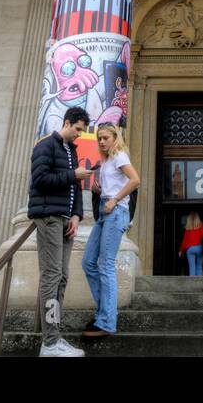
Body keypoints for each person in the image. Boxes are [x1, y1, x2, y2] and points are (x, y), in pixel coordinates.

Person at [29, 106, 92, 357]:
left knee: (62, 277)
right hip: (48, 218)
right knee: (52, 276)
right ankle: (50, 342)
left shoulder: (70, 151)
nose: (80, 134)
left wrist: (77, 215)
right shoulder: (45, 146)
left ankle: (54, 336)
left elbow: (74, 187)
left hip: (66, 221)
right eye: (77, 129)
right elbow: (40, 180)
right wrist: (72, 174)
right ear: (67, 123)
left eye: (82, 131)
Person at [81, 121, 139, 338]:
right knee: (88, 262)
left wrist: (114, 199)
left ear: (115, 137)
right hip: (104, 211)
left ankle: (106, 321)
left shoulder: (120, 155)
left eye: (106, 137)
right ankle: (103, 313)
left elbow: (135, 180)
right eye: (100, 138)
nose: (102, 141)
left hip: (115, 212)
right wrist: (100, 188)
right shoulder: (105, 160)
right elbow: (114, 183)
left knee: (105, 264)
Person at [180, 212, 203, 276]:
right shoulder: (201, 225)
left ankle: (192, 284)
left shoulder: (188, 228)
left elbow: (184, 241)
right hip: (199, 248)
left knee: (192, 268)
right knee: (199, 266)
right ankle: (200, 284)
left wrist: (181, 250)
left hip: (190, 249)